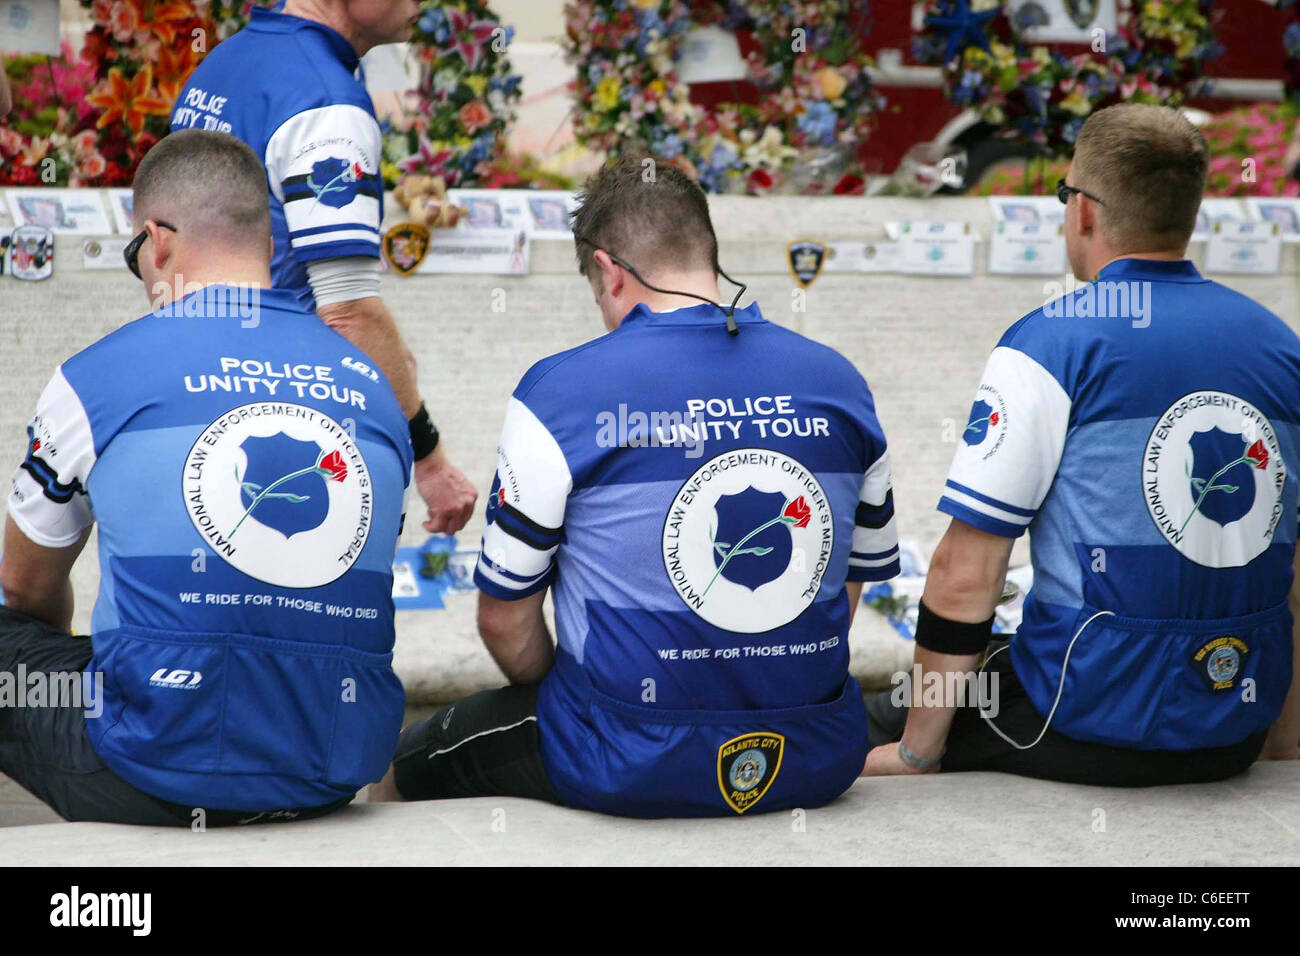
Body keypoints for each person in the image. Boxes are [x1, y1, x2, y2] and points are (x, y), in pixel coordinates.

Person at [371, 156, 901, 817]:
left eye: (598, 296)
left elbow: (503, 621)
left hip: (626, 755)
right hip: (815, 755)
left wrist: (568, 697)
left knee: (390, 771)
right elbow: (850, 579)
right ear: (709, 252)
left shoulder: (560, 392)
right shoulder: (839, 382)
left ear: (611, 273)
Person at [863, 103, 1300, 785]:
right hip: (1231, 730)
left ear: (1085, 212)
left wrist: (917, 750)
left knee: (858, 716)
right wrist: (1280, 742)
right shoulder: (1280, 347)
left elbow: (963, 574)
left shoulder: (1052, 341)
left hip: (1084, 718)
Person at [0, 130, 412, 825]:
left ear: (156, 242)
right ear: (269, 246)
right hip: (332, 765)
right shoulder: (374, 388)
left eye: (136, 255)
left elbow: (22, 586)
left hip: (149, 767)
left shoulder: (98, 377)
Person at [170, 0, 476, 535]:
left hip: (190, 387)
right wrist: (430, 460)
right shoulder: (326, 100)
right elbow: (349, 312)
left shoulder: (223, 61)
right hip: (277, 406)